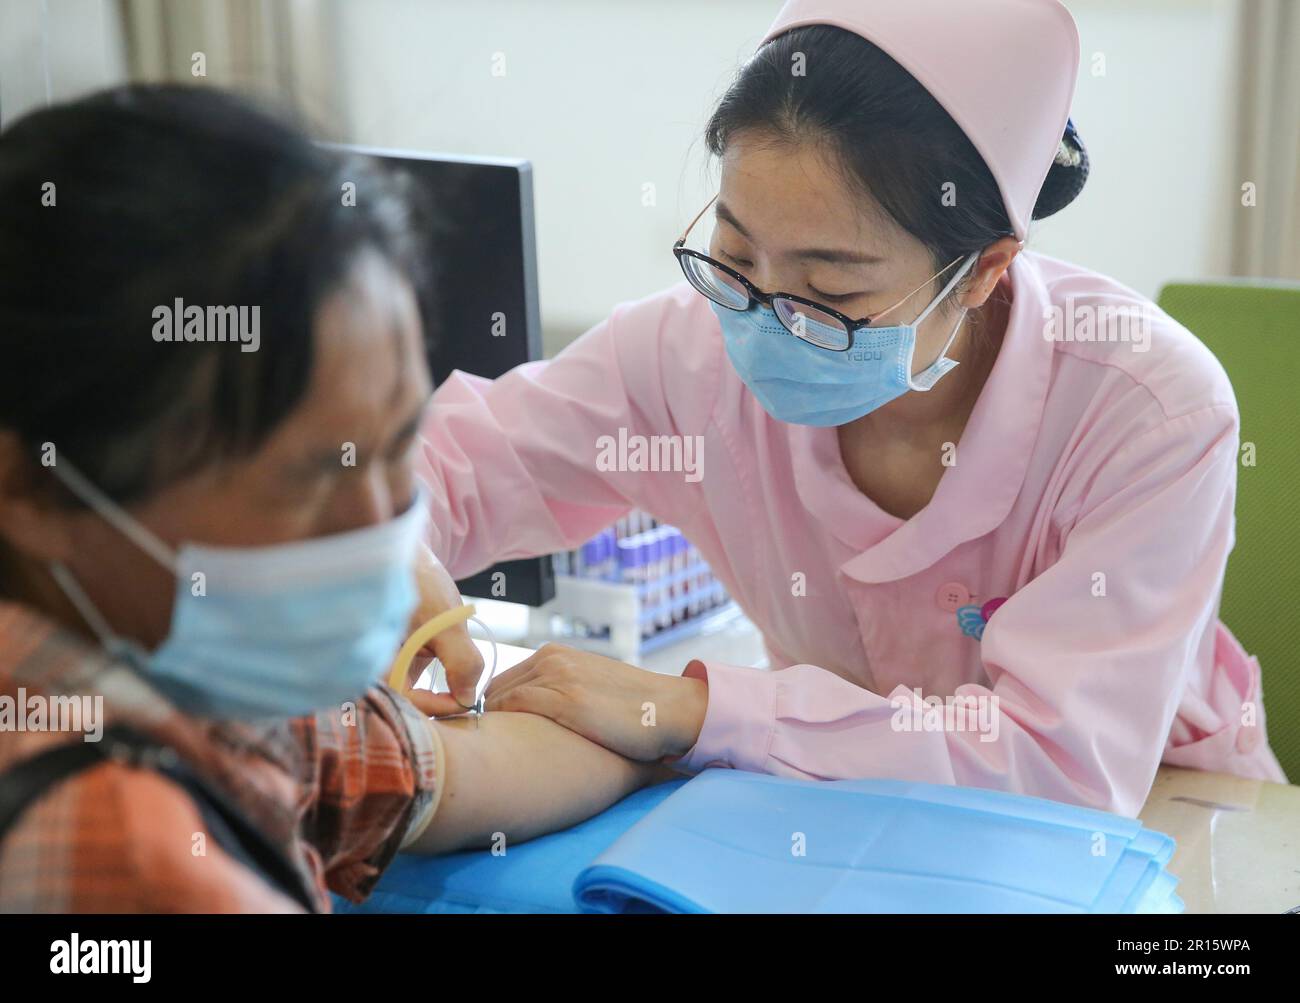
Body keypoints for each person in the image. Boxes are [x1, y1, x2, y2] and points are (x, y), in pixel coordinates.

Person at [411, 0, 1287, 816]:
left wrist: (696, 710)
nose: (762, 318)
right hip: (830, 820)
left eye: (827, 291)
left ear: (984, 270)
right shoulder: (685, 353)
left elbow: (1053, 767)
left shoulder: (1149, 411)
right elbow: (462, 464)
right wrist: (385, 547)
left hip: (1170, 825)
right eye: (735, 256)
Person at [0, 84, 666, 913]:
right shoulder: (121, 851)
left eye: (396, 449)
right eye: (316, 478)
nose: (385, 531)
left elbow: (445, 772)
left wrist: (673, 729)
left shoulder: (186, 669)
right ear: (34, 486)